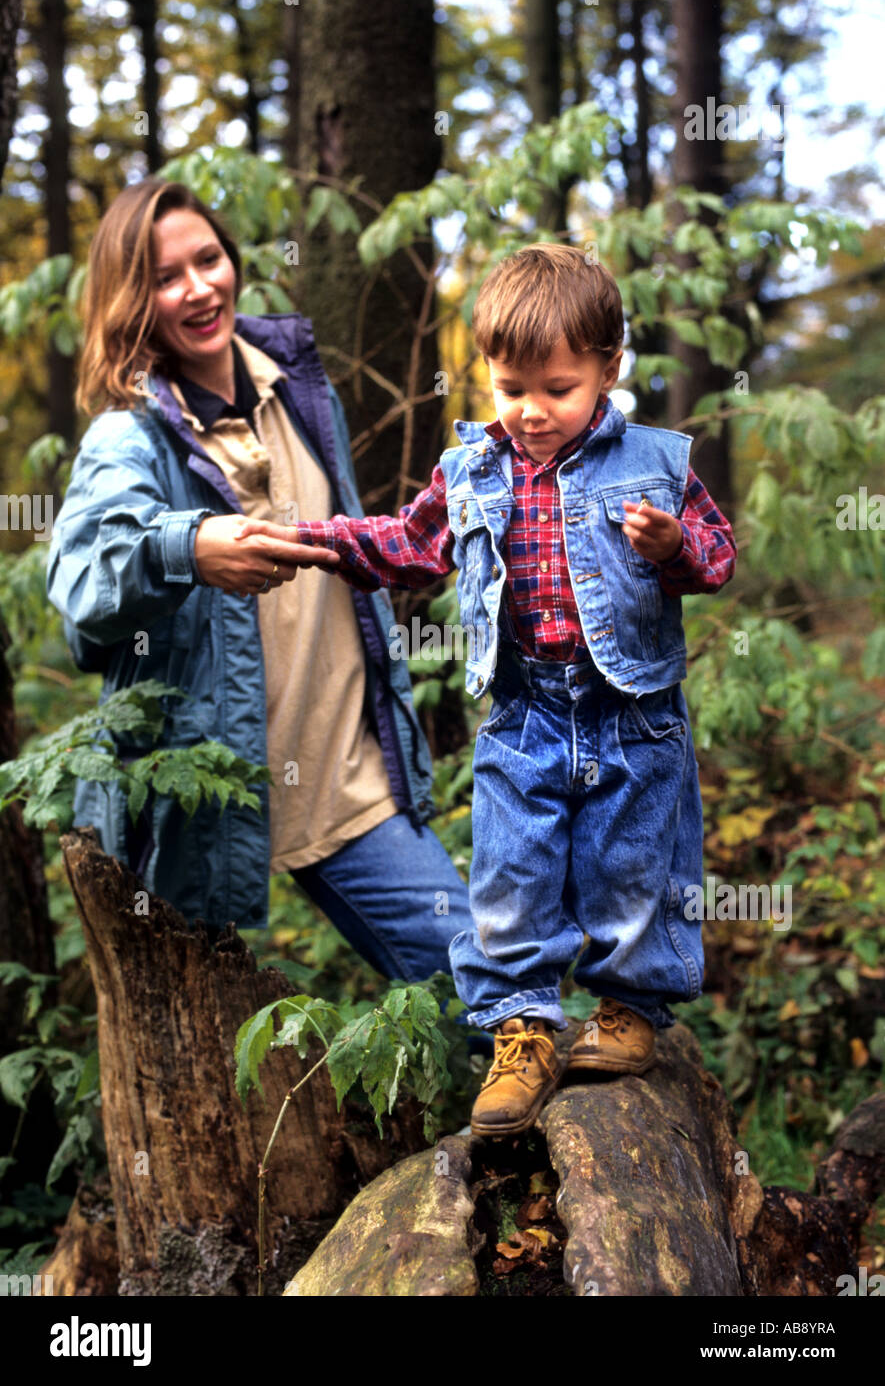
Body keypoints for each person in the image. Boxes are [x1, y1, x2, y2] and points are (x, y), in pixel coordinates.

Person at [235, 243, 737, 1138]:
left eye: (556, 388)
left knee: (632, 864)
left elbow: (716, 555)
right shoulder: (472, 471)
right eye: (509, 390)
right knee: (511, 874)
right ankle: (522, 1028)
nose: (531, 412)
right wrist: (314, 541)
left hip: (632, 715)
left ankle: (628, 1009)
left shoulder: (655, 464)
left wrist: (670, 550)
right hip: (521, 711)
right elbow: (408, 543)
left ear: (607, 370)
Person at [46, 177, 474, 995]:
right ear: (133, 302)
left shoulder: (297, 387)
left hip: (342, 778)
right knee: (193, 1060)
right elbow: (81, 595)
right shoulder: (127, 436)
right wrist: (188, 546)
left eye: (208, 259)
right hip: (201, 801)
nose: (199, 288)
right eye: (166, 277)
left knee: (478, 983)